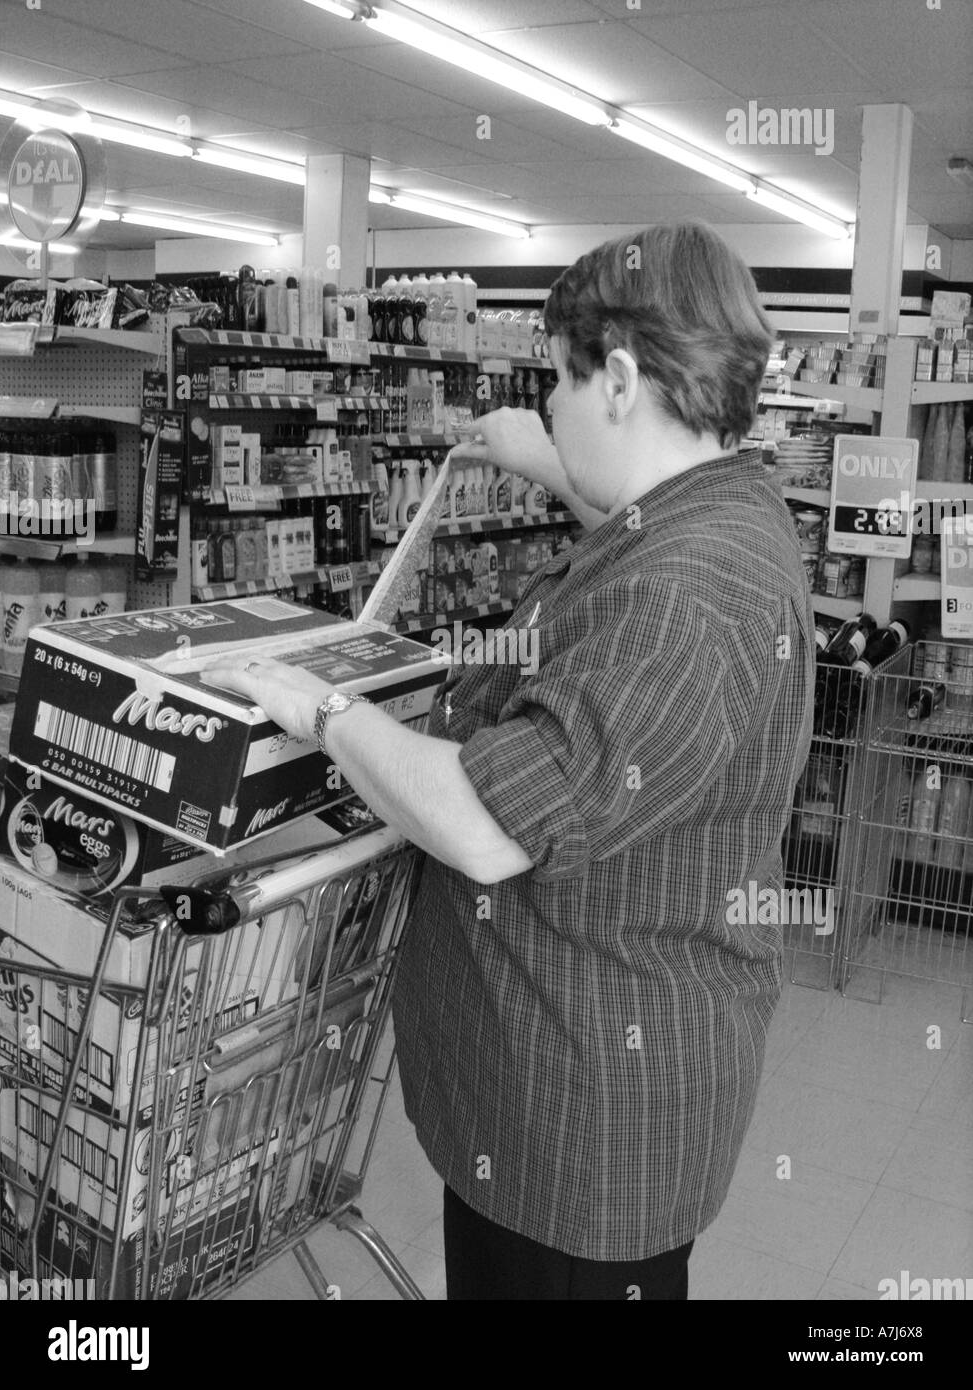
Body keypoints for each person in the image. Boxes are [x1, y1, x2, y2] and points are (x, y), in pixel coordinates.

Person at [204, 221, 815, 1301]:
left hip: (578, 1126)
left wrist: (325, 709)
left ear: (621, 380)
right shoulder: (720, 512)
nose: (551, 408)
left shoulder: (686, 595)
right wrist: (541, 456)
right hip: (583, 1090)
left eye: (558, 387)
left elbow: (486, 827)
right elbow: (634, 521)